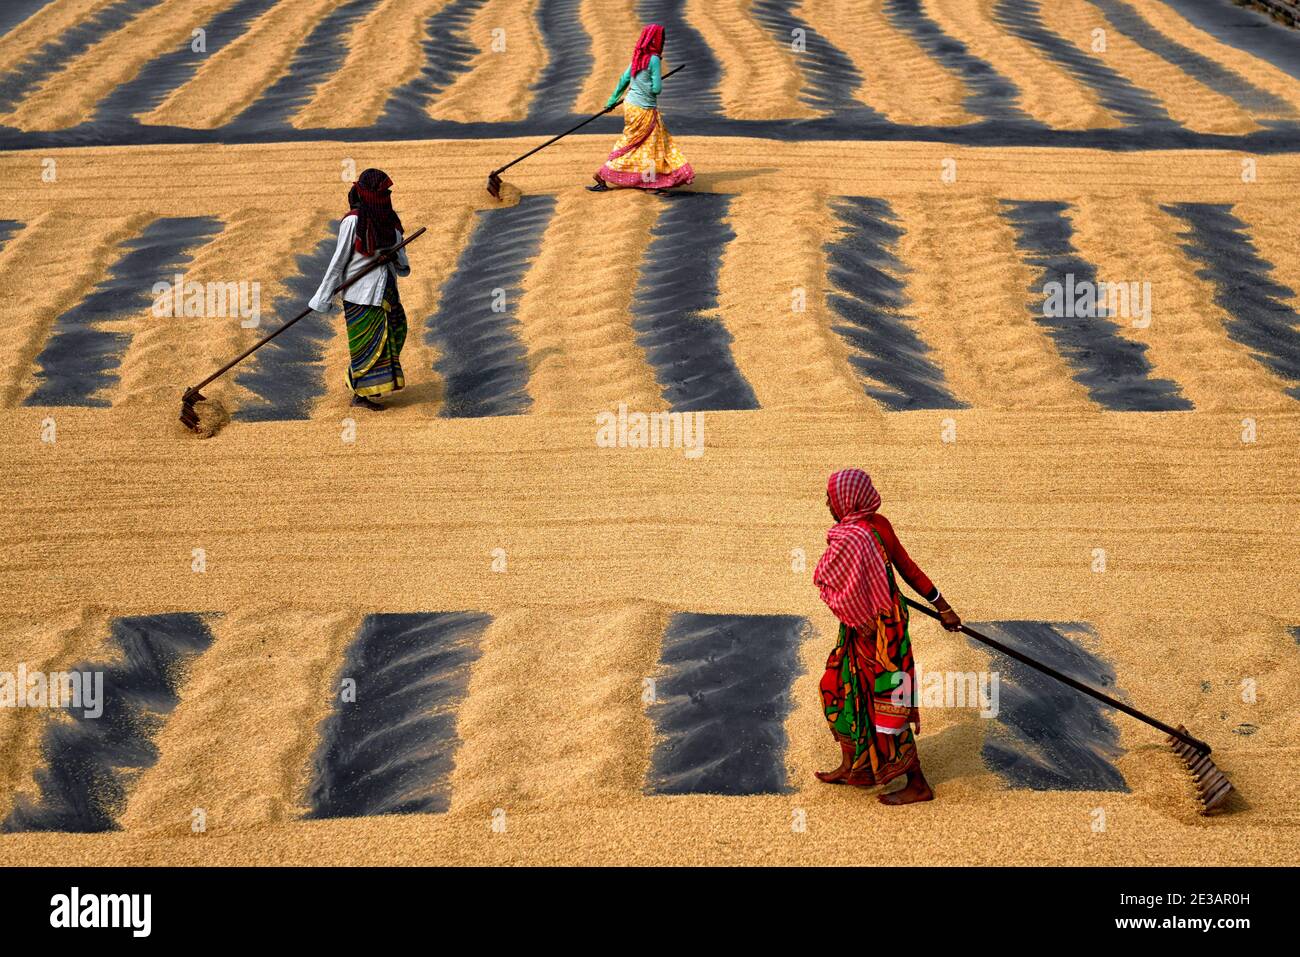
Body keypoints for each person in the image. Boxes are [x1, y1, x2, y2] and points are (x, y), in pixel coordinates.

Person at [812, 468, 962, 805]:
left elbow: (906, 568)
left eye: (831, 497)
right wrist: (942, 607)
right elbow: (849, 583)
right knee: (839, 685)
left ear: (849, 498)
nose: (827, 503)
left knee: (889, 701)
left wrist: (943, 607)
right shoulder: (856, 530)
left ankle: (918, 783)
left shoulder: (867, 531)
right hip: (859, 628)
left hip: (882, 633)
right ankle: (853, 765)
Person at [309, 168, 410, 410]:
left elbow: (403, 264)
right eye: (382, 192)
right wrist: (322, 298)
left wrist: (391, 258)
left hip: (385, 290)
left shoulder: (391, 221)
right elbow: (338, 261)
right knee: (366, 343)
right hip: (360, 293)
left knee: (396, 331)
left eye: (387, 192)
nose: (386, 196)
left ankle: (361, 383)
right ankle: (360, 394)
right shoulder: (353, 221)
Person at [588, 23, 694, 193]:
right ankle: (644, 181)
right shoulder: (653, 59)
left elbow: (623, 79)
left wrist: (611, 101)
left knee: (630, 142)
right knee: (649, 145)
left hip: (630, 106)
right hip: (645, 108)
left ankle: (634, 178)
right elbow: (657, 89)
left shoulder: (638, 57)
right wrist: (652, 83)